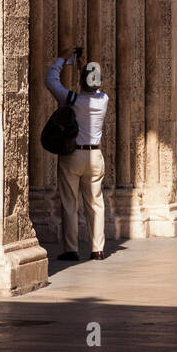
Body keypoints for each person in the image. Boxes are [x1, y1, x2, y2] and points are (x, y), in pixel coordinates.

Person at [45, 46, 109, 263]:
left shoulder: (71, 99)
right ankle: (97, 249)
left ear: (81, 82)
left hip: (73, 155)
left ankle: (71, 249)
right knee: (95, 203)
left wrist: (62, 59)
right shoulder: (104, 100)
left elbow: (51, 80)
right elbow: (94, 87)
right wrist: (85, 67)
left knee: (70, 202)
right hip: (95, 156)